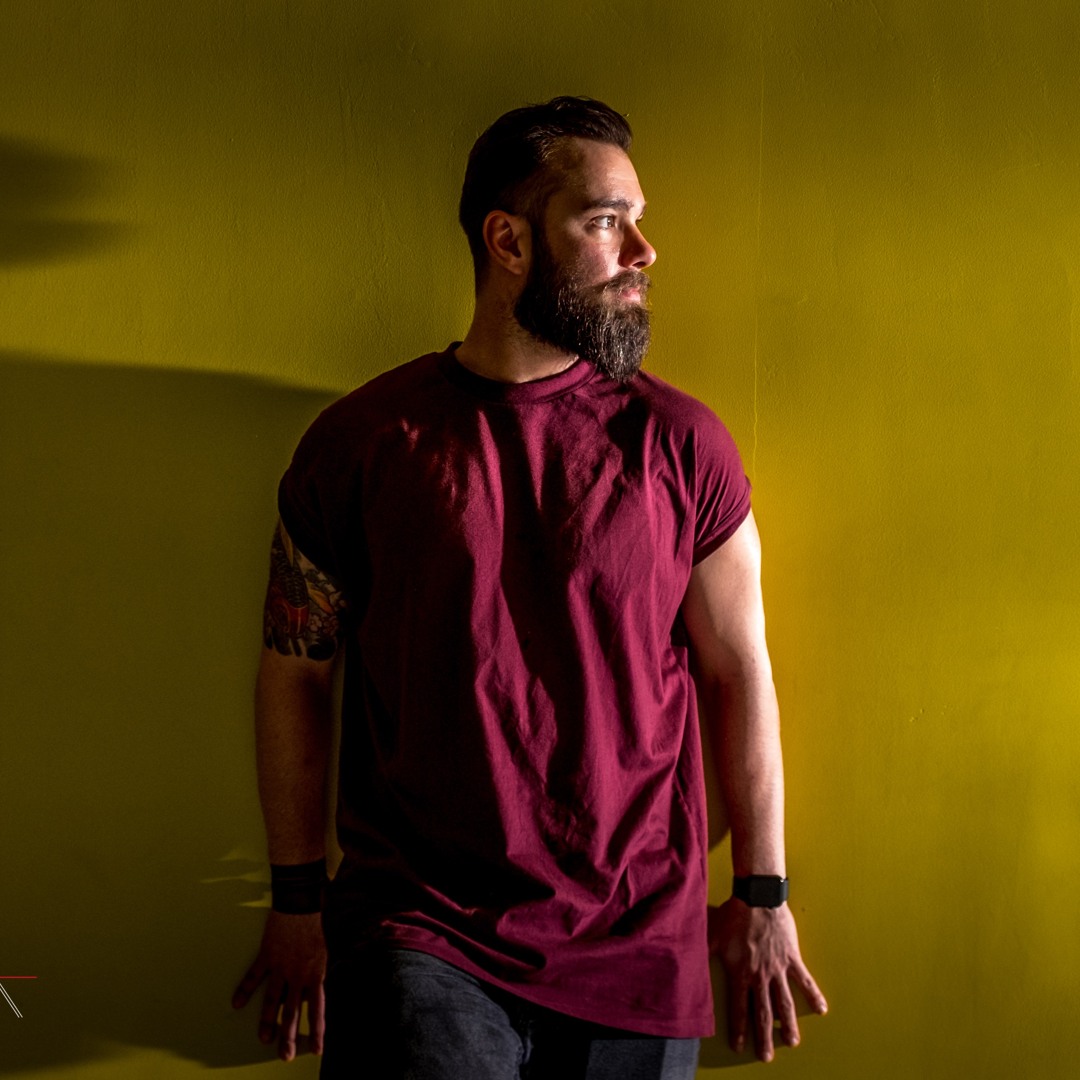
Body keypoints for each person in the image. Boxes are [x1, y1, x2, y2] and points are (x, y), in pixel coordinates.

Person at [232, 96, 826, 1078]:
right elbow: (296, 672)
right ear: (508, 240)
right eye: (605, 222)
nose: (643, 251)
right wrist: (297, 900)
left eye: (637, 220)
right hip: (421, 933)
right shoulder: (362, 445)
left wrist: (763, 895)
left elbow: (739, 671)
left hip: (638, 945)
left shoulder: (682, 444)